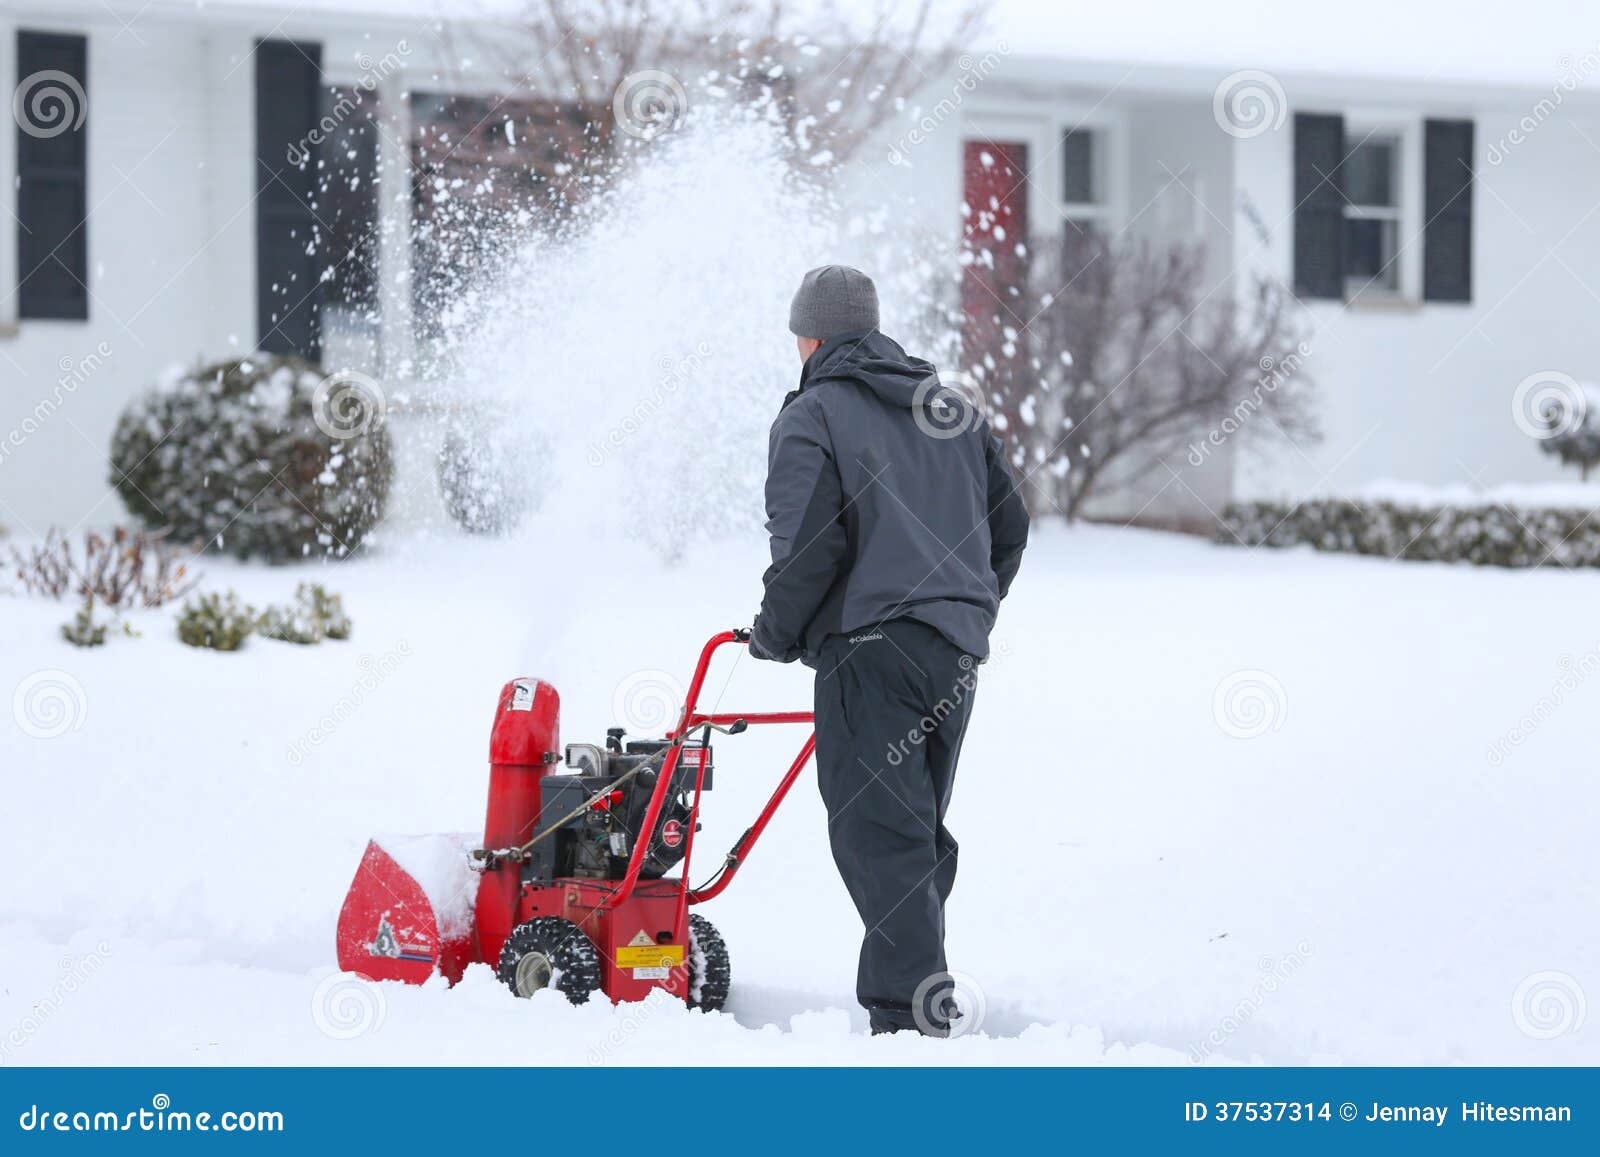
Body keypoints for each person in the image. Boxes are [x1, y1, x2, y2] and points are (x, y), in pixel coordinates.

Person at [747, 264, 1029, 1035]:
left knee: (881, 831)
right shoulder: (949, 408)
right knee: (914, 828)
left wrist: (775, 633)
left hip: (869, 652)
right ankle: (915, 994)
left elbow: (807, 546)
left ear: (809, 336)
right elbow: (1010, 525)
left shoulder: (816, 412)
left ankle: (908, 1015)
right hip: (953, 655)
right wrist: (967, 604)